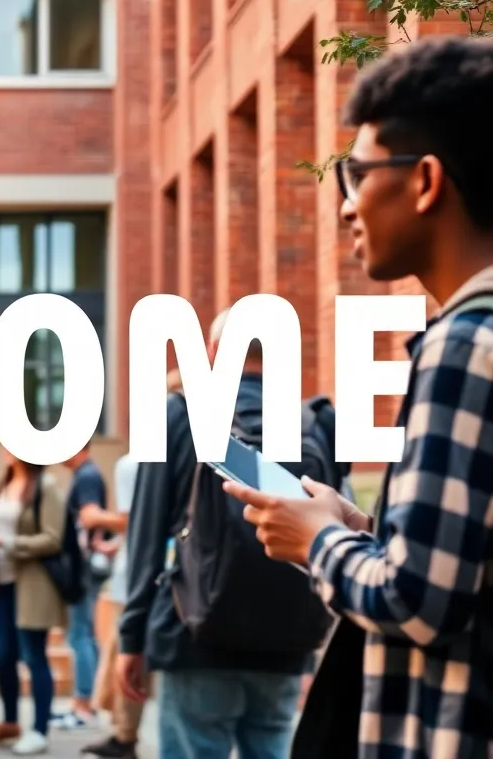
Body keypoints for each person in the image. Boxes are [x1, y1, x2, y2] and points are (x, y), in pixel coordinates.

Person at [223, 35, 493, 758]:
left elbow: (416, 603)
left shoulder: (469, 348)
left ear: (426, 181)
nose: (344, 207)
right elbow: (475, 570)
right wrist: (356, 528)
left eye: (357, 174)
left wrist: (316, 540)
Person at [116, 313, 324, 759]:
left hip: (195, 633)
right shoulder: (312, 422)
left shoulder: (176, 415)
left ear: (212, 354)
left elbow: (146, 533)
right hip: (286, 641)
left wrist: (131, 638)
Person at [0, 450, 67, 756]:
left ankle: (39, 730)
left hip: (32, 585)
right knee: (3, 656)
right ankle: (10, 721)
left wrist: (6, 543)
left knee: (33, 655)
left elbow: (53, 538)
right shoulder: (0, 486)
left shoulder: (46, 486)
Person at [79, 449, 146, 759]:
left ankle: (124, 736)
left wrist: (95, 517)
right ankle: (122, 733)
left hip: (137, 579)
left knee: (126, 654)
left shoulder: (130, 464)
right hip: (135, 572)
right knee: (118, 654)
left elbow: (135, 519)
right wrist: (115, 546)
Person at [54, 441, 111, 731]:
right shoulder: (85, 474)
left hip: (82, 571)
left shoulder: (87, 475)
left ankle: (85, 703)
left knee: (82, 636)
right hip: (82, 570)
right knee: (83, 635)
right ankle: (83, 701)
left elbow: (91, 517)